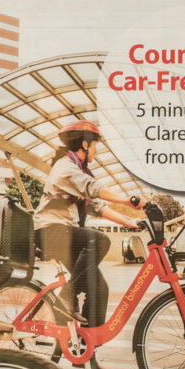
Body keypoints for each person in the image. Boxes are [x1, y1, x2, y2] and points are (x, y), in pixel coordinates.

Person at [33, 118, 147, 324]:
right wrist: (127, 200)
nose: (96, 151)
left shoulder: (77, 169)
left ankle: (88, 345)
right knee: (99, 240)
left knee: (99, 288)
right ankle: (67, 297)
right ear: (85, 144)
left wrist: (130, 222)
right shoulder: (65, 167)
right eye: (95, 146)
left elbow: (97, 206)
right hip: (50, 232)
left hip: (64, 233)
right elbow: (92, 188)